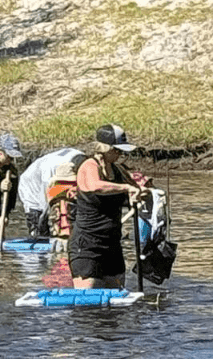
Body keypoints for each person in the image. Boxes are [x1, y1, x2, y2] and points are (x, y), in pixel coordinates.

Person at [69, 124, 144, 289]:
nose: (119, 154)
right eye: (116, 150)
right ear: (104, 148)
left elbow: (137, 188)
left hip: (112, 246)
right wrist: (126, 188)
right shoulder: (89, 166)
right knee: (89, 305)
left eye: (121, 151)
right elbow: (95, 186)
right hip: (88, 245)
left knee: (116, 303)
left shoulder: (119, 170)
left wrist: (141, 193)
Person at [18, 147, 85, 237]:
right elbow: (46, 196)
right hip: (31, 187)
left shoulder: (82, 158)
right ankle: (38, 237)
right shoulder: (49, 168)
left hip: (57, 180)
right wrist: (43, 217)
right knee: (39, 220)